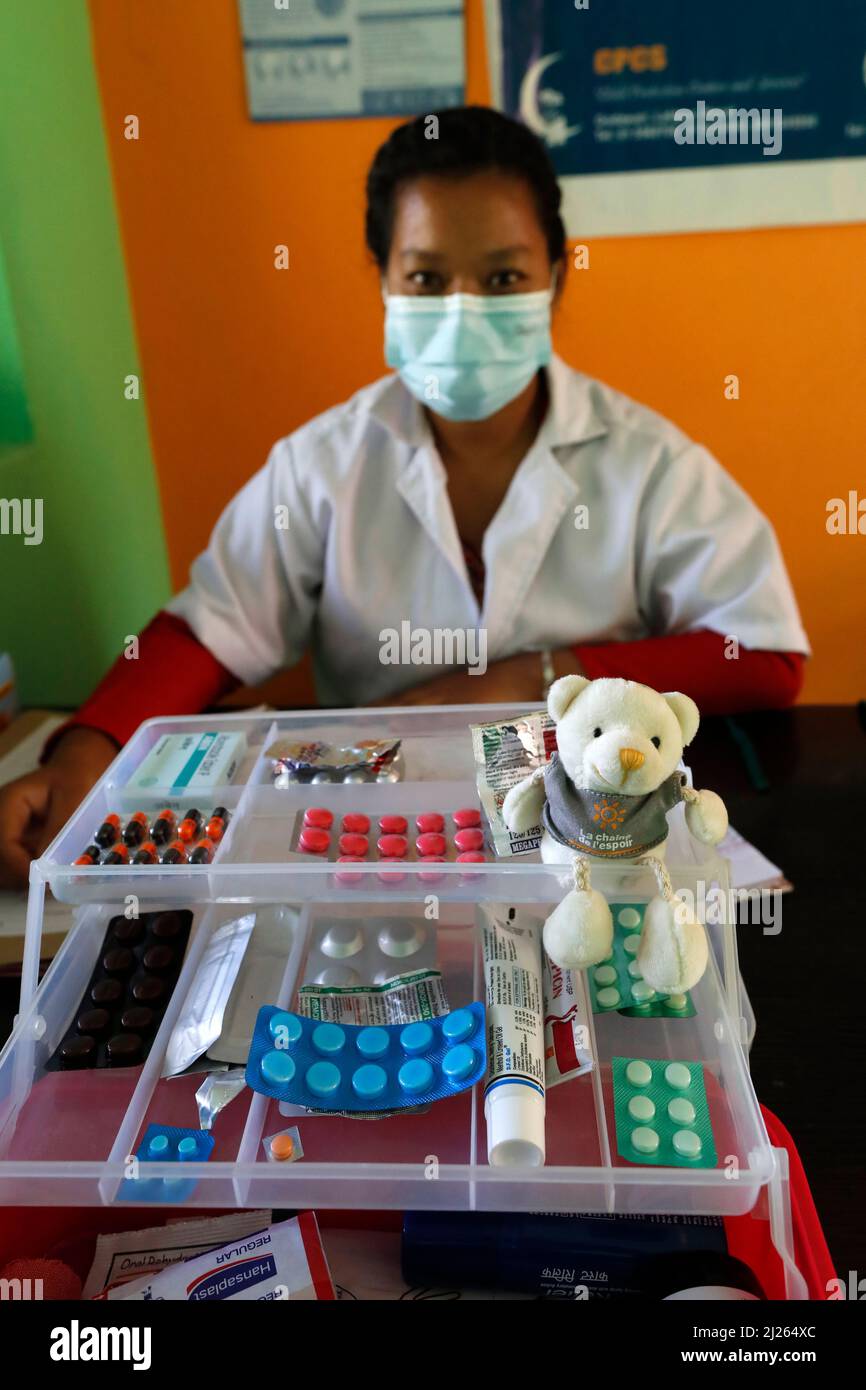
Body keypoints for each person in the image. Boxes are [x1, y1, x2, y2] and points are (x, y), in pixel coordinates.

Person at [0, 107, 808, 889]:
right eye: (426, 276)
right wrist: (87, 751)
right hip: (374, 838)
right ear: (383, 279)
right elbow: (208, 630)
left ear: (556, 278)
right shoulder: (325, 463)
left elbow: (764, 655)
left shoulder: (647, 461)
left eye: (503, 277)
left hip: (588, 840)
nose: (463, 310)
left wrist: (530, 675)